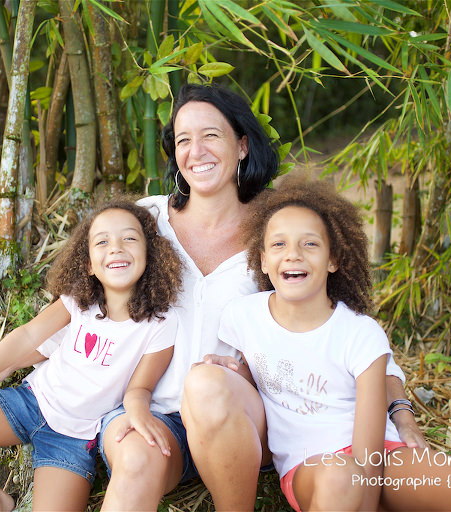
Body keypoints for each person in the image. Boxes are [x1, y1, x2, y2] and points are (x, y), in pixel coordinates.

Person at [97, 83, 427, 511]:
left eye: (211, 135)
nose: (196, 151)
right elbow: (81, 305)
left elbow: (351, 336)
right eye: (183, 140)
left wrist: (401, 413)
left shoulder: (281, 230)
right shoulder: (146, 220)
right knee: (135, 460)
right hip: (153, 413)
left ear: (242, 145)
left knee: (209, 385)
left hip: (248, 420)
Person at [217, 176, 451, 511]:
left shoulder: (361, 333)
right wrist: (229, 370)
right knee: (340, 477)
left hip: (380, 457)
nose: (293, 255)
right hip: (313, 465)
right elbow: (245, 380)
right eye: (279, 244)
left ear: (333, 259)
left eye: (310, 244)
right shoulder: (243, 316)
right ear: (262, 260)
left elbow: (368, 453)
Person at [0, 198, 183, 512]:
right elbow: (27, 336)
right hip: (28, 404)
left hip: (72, 440)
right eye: (102, 242)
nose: (115, 248)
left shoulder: (161, 324)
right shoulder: (78, 302)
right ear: (88, 263)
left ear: (150, 253)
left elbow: (139, 389)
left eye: (129, 238)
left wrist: (139, 413)